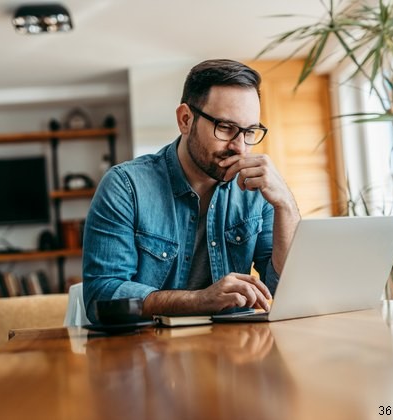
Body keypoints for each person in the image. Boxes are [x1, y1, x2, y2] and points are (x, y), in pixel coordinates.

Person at [82, 59, 300, 323]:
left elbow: (289, 290)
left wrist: (285, 204)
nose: (240, 147)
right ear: (185, 120)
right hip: (149, 352)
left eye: (250, 131)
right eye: (226, 128)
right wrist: (200, 300)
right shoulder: (126, 186)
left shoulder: (257, 190)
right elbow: (101, 297)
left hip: (234, 352)